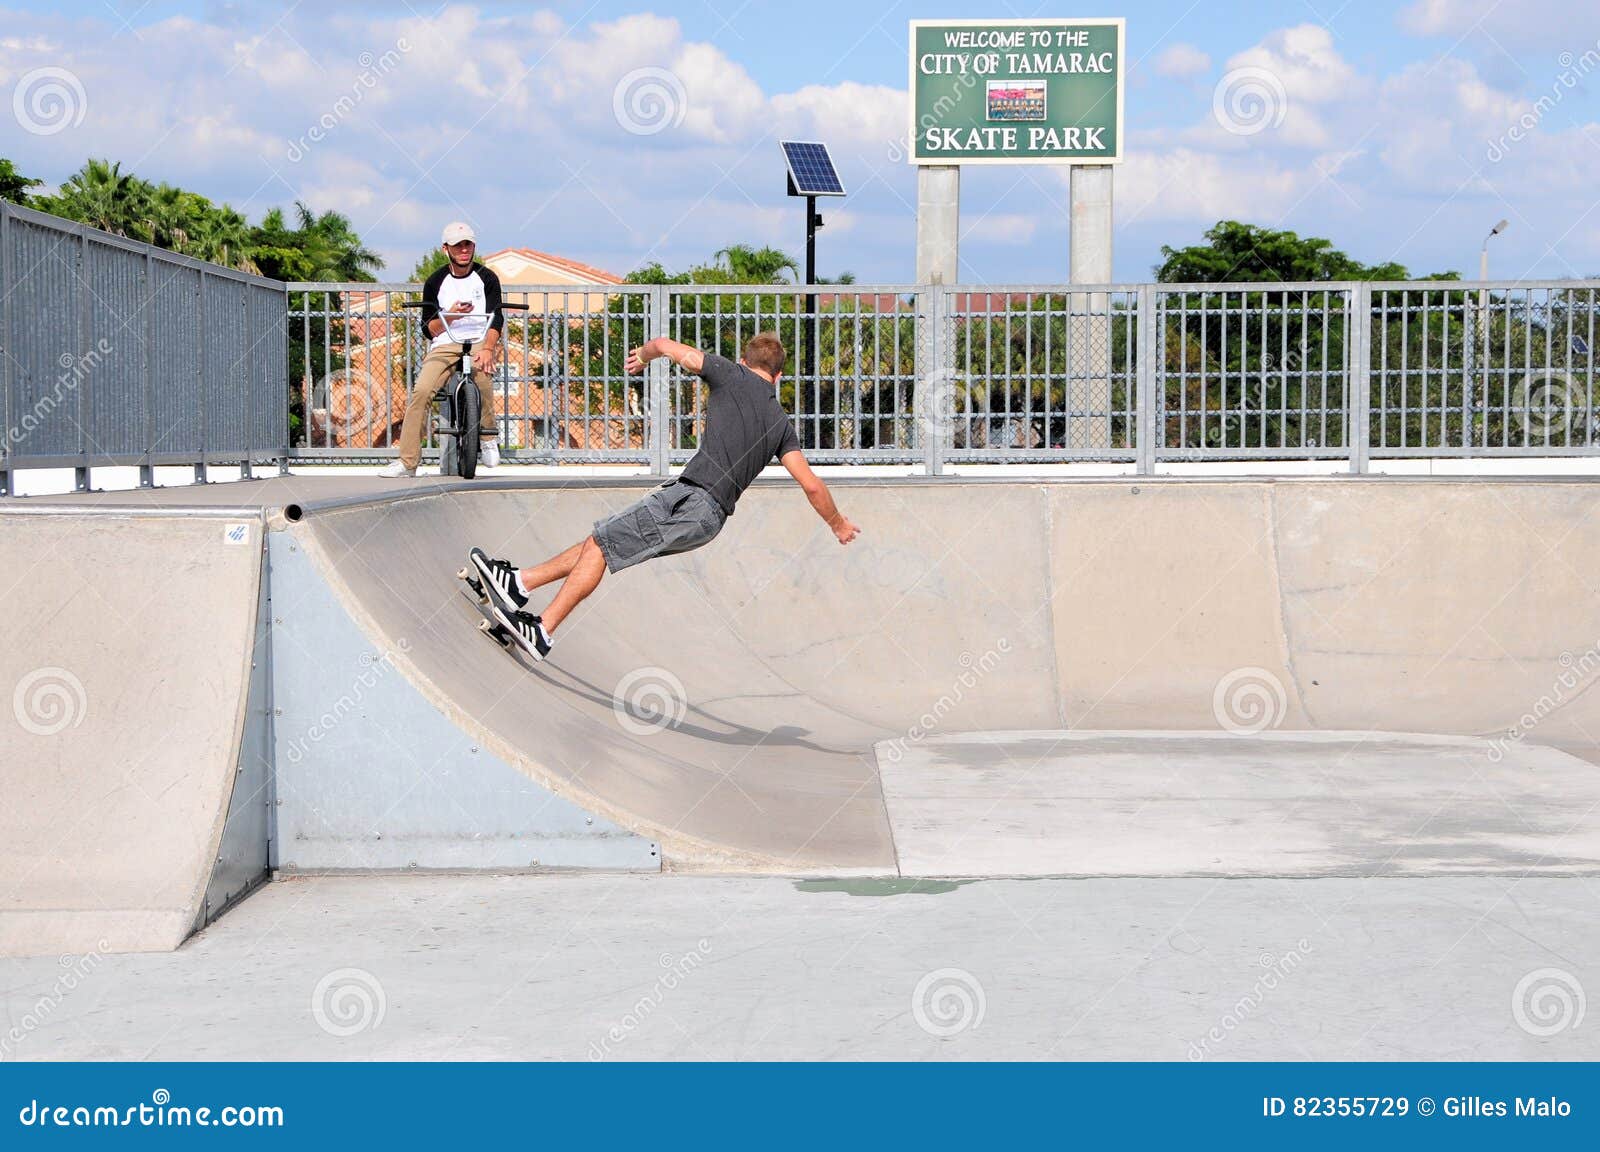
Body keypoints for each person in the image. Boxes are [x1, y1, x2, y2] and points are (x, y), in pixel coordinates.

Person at [468, 331, 861, 660]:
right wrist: (837, 524)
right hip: (709, 519)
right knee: (603, 540)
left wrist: (644, 355)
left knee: (602, 546)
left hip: (690, 500)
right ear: (778, 376)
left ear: (745, 360)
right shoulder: (780, 423)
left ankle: (542, 631)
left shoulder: (730, 373)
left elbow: (669, 346)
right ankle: (518, 584)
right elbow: (811, 484)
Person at [381, 221, 504, 477]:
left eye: (467, 244)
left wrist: (489, 348)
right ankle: (407, 462)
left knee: (483, 378)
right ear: (445, 249)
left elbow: (497, 317)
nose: (463, 250)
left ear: (474, 246)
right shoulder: (436, 281)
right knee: (422, 391)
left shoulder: (487, 278)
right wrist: (452, 315)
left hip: (480, 338)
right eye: (457, 245)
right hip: (446, 344)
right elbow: (428, 328)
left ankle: (488, 437)